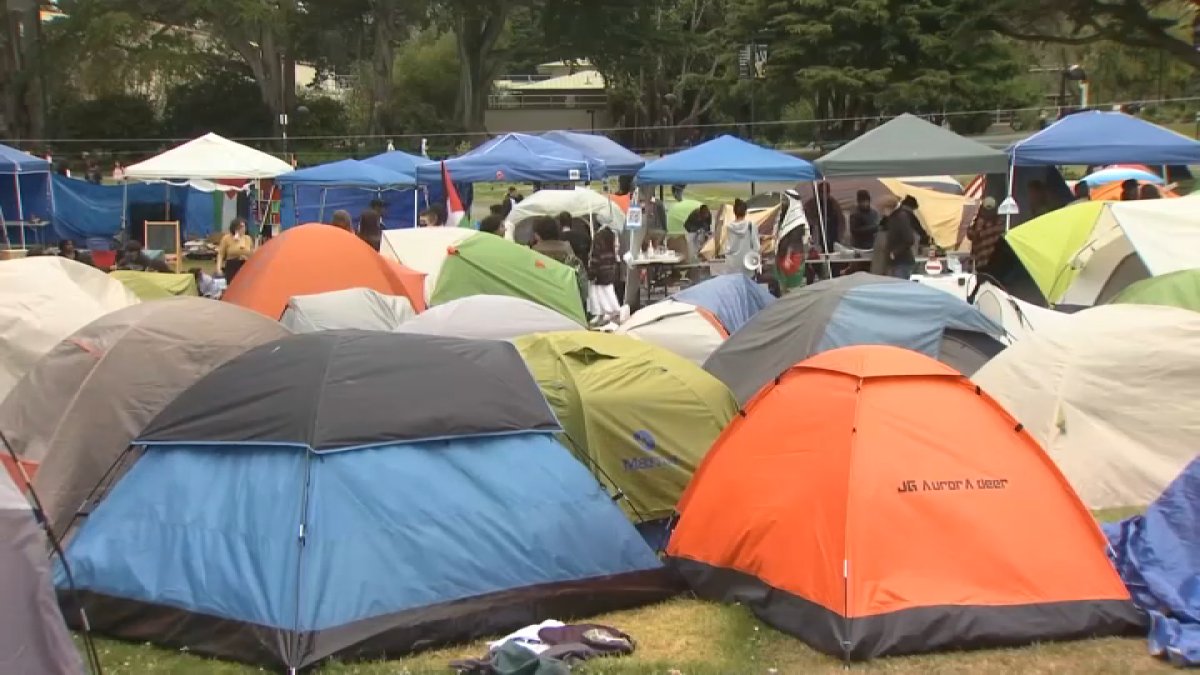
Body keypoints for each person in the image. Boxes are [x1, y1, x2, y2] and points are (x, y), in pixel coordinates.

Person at [587, 227, 621, 326]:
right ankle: (613, 313)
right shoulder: (612, 236)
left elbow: (595, 258)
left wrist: (591, 273)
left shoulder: (598, 238)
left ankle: (602, 314)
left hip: (600, 271)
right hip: (609, 269)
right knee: (608, 291)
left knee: (597, 293)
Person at [885, 196, 921, 279]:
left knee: (901, 287)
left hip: (902, 262)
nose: (883, 211)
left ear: (889, 207)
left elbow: (909, 239)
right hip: (896, 261)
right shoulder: (894, 217)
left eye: (884, 209)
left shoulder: (901, 217)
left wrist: (895, 252)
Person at [965, 197, 1006, 272]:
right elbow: (970, 234)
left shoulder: (999, 224)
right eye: (986, 209)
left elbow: (976, 235)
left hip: (992, 263)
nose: (988, 212)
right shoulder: (979, 223)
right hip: (980, 262)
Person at [804, 181, 844, 255]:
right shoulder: (811, 204)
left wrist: (840, 237)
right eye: (821, 192)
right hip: (816, 236)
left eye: (825, 192)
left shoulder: (834, 203)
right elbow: (806, 218)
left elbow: (841, 221)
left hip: (832, 236)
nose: (823, 194)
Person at [724, 198, 759, 278]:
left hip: (733, 264)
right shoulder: (751, 226)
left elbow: (729, 246)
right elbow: (756, 246)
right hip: (748, 263)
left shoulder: (729, 227)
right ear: (745, 212)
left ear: (734, 212)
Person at [216, 218, 253, 282]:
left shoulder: (248, 238)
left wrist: (246, 256)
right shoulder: (226, 238)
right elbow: (220, 254)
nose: (243, 229)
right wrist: (218, 268)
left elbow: (252, 253)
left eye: (244, 226)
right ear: (235, 228)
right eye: (241, 227)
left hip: (245, 265)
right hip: (232, 265)